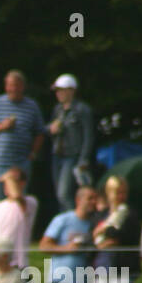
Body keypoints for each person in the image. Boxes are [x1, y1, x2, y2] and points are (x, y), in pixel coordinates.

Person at [0, 70, 45, 206]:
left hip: (21, 163)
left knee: (19, 204)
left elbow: (40, 132)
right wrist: (2, 126)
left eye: (16, 85)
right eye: (10, 85)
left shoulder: (32, 106)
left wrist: (33, 153)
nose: (13, 89)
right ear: (5, 86)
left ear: (23, 87)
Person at [47, 75, 95, 212]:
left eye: (61, 90)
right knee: (58, 194)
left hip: (72, 156)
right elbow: (48, 129)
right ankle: (65, 220)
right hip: (57, 156)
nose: (58, 94)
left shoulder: (82, 109)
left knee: (64, 193)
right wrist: (51, 129)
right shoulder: (57, 110)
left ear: (71, 90)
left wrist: (83, 159)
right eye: (57, 91)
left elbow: (88, 136)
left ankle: (73, 220)